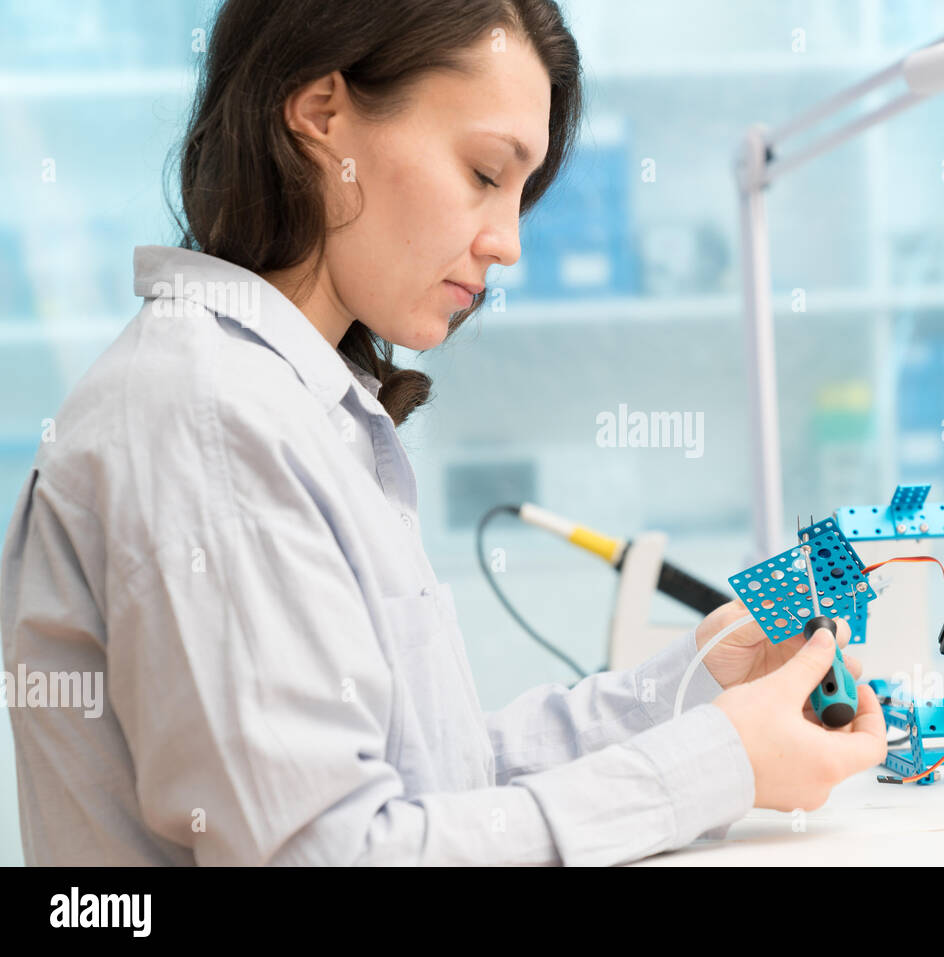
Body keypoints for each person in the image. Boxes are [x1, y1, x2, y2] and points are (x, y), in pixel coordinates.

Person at [0, 0, 887, 866]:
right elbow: (330, 851)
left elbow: (440, 786)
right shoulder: (207, 421)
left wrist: (694, 682)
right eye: (483, 173)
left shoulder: (292, 403)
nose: (507, 243)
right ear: (321, 112)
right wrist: (718, 763)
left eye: (522, 193)